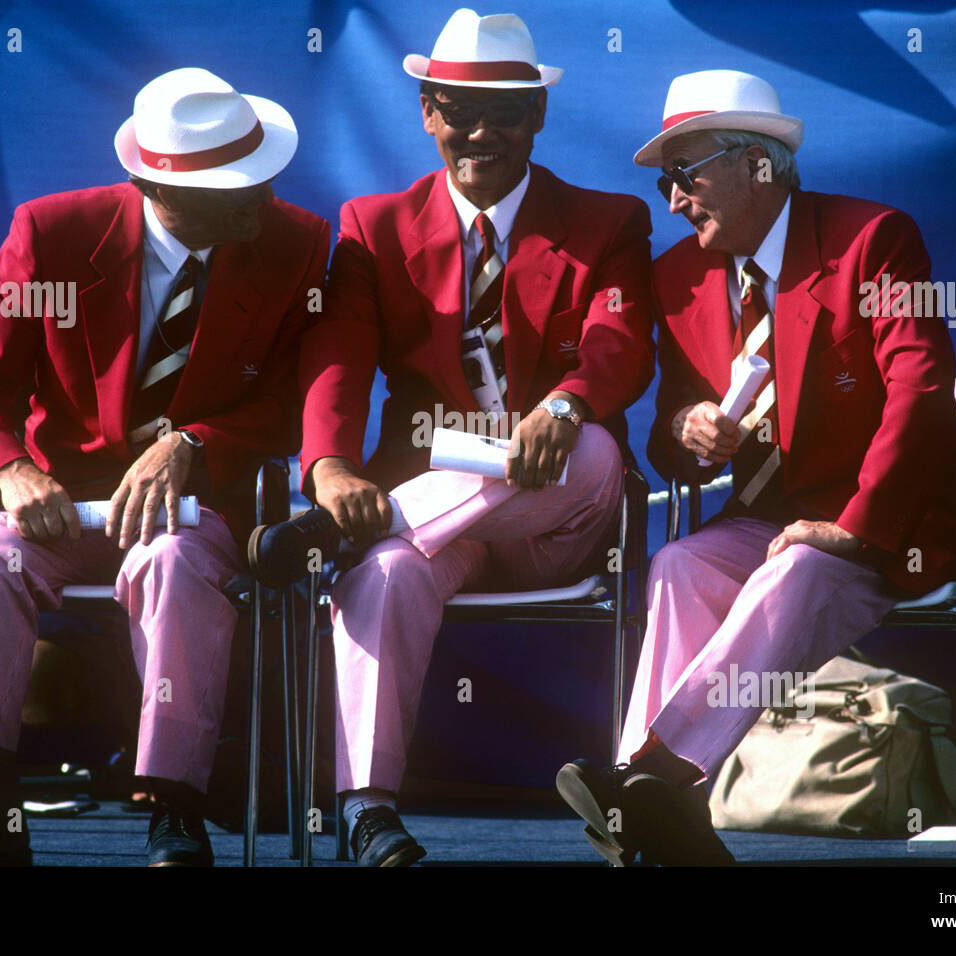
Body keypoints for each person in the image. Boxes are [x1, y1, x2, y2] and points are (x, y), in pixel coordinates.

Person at [248, 8, 653, 866]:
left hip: (563, 516)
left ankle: (343, 533)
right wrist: (325, 466)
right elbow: (339, 356)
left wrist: (571, 401)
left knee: (589, 451)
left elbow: (621, 344)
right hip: (438, 520)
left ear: (538, 116)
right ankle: (366, 808)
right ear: (425, 113)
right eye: (455, 110)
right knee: (389, 573)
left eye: (503, 111)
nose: (478, 132)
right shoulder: (374, 225)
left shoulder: (607, 220)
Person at [556, 70, 956, 865]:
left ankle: (653, 778)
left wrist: (856, 528)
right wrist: (689, 427)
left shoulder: (876, 239)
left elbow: (921, 391)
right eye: (662, 182)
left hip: (888, 529)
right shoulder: (678, 277)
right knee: (678, 562)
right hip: (769, 523)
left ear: (759, 165)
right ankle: (656, 805)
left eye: (686, 176)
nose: (672, 201)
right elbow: (666, 435)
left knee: (802, 567)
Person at [0, 67, 329, 866]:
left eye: (262, 177)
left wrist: (192, 442)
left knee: (176, 561)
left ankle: (173, 806)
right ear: (156, 186)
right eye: (233, 188)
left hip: (198, 511)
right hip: (58, 503)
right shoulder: (53, 236)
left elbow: (296, 405)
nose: (260, 201)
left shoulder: (297, 244)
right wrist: (8, 470)